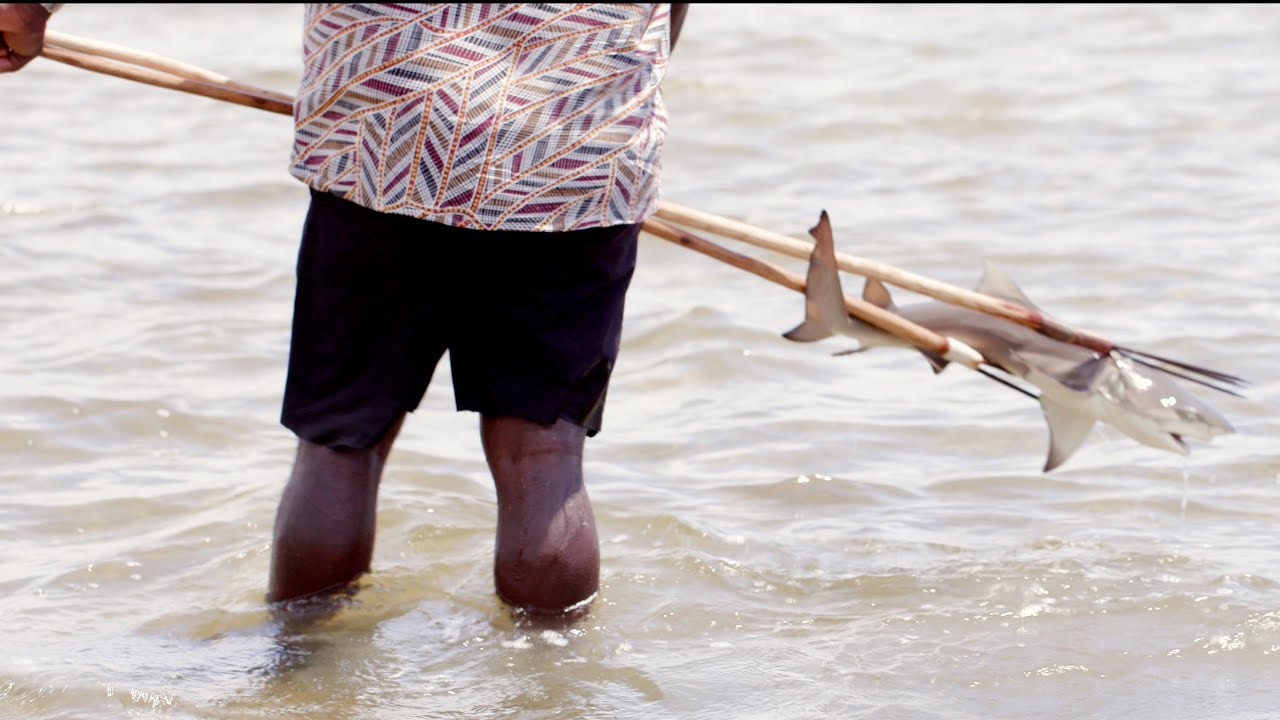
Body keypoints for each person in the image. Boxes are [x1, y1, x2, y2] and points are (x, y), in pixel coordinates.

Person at [2, 3, 688, 616]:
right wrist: (597, 98)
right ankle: (550, 684)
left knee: (340, 442)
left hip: (388, 131)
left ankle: (303, 678)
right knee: (542, 450)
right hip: (576, 144)